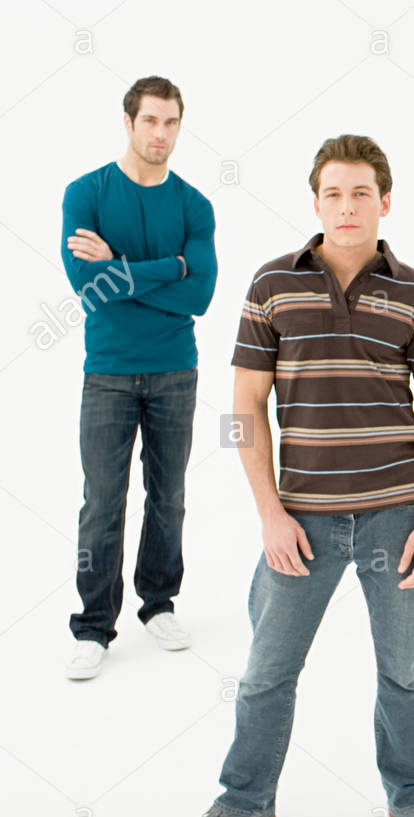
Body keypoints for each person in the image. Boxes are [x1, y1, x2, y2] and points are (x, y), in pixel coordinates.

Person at [174, 135, 414, 817]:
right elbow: (246, 403)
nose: (346, 206)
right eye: (333, 194)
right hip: (299, 521)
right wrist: (270, 513)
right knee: (267, 671)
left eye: (360, 193)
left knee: (404, 671)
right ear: (316, 203)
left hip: (397, 517)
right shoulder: (273, 284)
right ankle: (245, 801)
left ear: (385, 203)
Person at [61, 75, 217, 679]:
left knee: (169, 495)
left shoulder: (194, 204)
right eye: (150, 121)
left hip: (176, 371)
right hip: (108, 372)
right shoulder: (86, 194)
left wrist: (126, 267)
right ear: (128, 123)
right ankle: (94, 626)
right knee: (101, 501)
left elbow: (199, 294)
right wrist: (168, 269)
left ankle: (158, 603)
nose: (161, 133)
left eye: (171, 122)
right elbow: (88, 289)